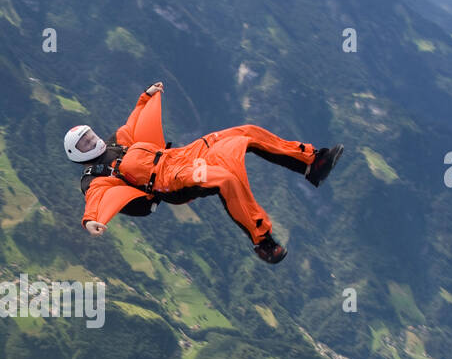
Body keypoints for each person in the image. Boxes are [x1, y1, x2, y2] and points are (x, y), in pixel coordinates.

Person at [63, 82, 343, 263]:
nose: (91, 141)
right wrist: (91, 221)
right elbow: (96, 199)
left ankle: (311, 163)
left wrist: (145, 97)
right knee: (226, 179)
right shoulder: (94, 176)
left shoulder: (116, 142)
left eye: (89, 135)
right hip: (172, 182)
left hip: (183, 155)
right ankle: (264, 242)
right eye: (84, 143)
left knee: (246, 132)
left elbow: (133, 121)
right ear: (78, 153)